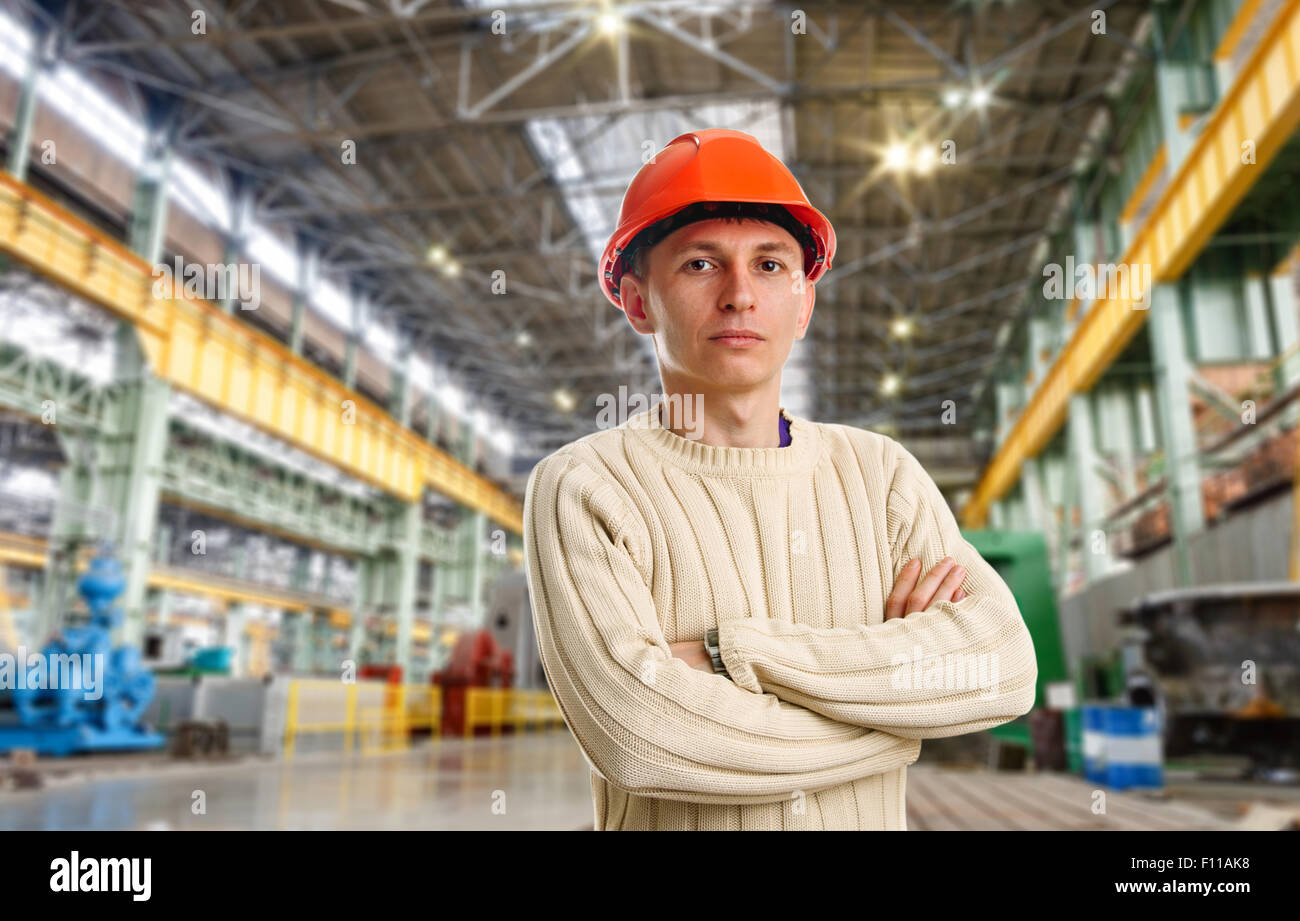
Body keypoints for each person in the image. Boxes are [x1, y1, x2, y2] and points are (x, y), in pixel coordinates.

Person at [523, 129, 1038, 831]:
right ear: (638, 302)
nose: (740, 294)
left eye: (770, 265)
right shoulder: (584, 487)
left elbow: (999, 665)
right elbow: (639, 737)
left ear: (804, 303)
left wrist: (729, 652)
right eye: (702, 264)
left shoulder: (881, 477)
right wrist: (895, 722)